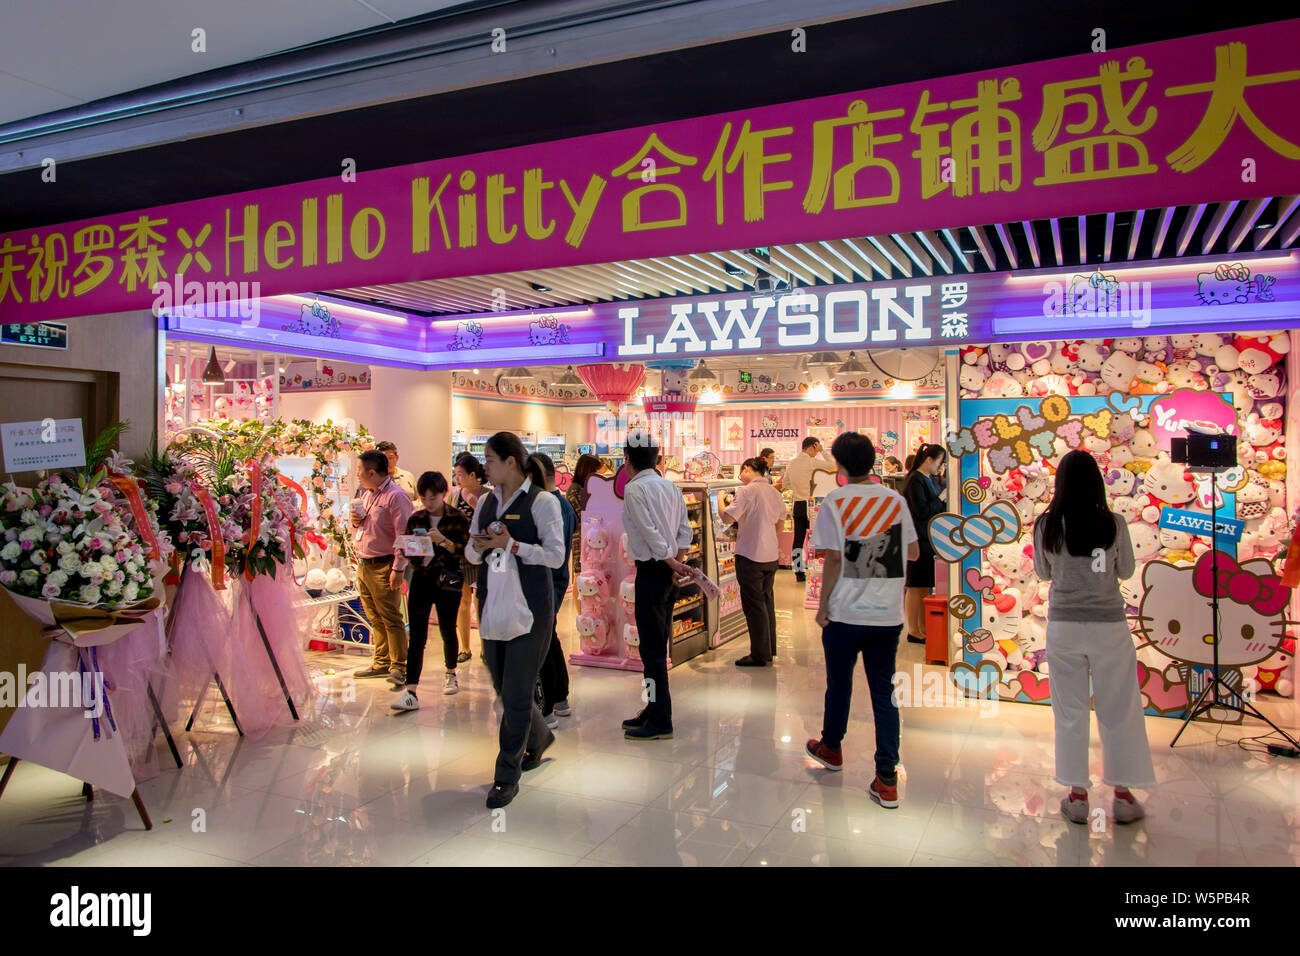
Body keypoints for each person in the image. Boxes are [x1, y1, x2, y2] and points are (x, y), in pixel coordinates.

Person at [1034, 450, 1153, 825]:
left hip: (1064, 627)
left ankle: (1077, 795)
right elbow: (1127, 570)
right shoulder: (1113, 523)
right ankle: (1122, 795)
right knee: (1120, 709)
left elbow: (1041, 572)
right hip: (1109, 626)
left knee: (1069, 712)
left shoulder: (1047, 526)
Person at [804, 432, 918, 809]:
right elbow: (914, 552)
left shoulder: (835, 502)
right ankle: (887, 778)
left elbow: (833, 560)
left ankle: (832, 748)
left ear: (839, 464)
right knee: (884, 692)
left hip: (845, 613)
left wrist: (822, 608)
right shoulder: (895, 501)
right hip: (887, 614)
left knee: (839, 684)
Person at [465, 432, 566, 809]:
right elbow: (472, 555)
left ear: (511, 462)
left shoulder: (543, 503)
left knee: (519, 691)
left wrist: (512, 545)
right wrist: (475, 547)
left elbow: (555, 557)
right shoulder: (486, 502)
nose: (484, 466)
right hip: (492, 606)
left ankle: (506, 776)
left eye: (489, 460)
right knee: (504, 688)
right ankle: (538, 738)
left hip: (532, 609)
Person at [620, 432, 692, 741]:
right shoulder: (671, 486)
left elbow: (649, 533)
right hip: (668, 572)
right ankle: (652, 707)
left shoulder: (634, 489)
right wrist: (678, 561)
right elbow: (684, 530)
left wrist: (670, 562)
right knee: (657, 646)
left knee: (651, 651)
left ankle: (661, 717)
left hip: (652, 572)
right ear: (657, 459)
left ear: (627, 461)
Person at [391, 471, 471, 710]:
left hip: (448, 581)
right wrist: (409, 548)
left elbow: (466, 552)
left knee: (448, 628)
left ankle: (450, 672)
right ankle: (411, 690)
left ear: (443, 494)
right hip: (422, 579)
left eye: (432, 498)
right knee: (417, 636)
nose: (428, 503)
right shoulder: (416, 519)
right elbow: (408, 548)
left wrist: (442, 541)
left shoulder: (457, 518)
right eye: (424, 499)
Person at [350, 450, 415, 683]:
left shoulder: (396, 497)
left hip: (384, 564)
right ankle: (381, 662)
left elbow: (404, 535)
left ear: (371, 471)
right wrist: (355, 522)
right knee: (374, 616)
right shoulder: (367, 495)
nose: (357, 475)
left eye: (359, 471)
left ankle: (399, 666)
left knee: (391, 616)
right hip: (365, 562)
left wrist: (398, 569)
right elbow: (363, 526)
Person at [719, 457, 786, 667]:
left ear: (747, 468)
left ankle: (758, 654)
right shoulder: (775, 493)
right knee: (766, 601)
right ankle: (768, 649)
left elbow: (727, 518)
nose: (740, 477)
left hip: (750, 555)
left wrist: (720, 499)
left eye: (741, 472)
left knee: (754, 605)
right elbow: (780, 527)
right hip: (770, 555)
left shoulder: (746, 491)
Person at [531, 452, 576, 729]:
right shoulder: (560, 505)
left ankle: (547, 705)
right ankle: (559, 698)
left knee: (541, 641)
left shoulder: (551, 506)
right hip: (554, 579)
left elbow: (551, 553)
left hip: (549, 580)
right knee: (550, 636)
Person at [901, 444, 946, 645]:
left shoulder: (926, 479)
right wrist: (942, 497)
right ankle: (914, 630)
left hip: (927, 539)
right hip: (918, 539)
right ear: (929, 460)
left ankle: (923, 628)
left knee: (924, 586)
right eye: (939, 461)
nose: (940, 466)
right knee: (915, 585)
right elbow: (922, 511)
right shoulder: (915, 480)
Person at [449, 452, 488, 663]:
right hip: (460, 553)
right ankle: (464, 647)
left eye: (461, 475)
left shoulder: (487, 496)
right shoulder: (454, 495)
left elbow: (493, 525)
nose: (458, 479)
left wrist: (476, 508)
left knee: (481, 599)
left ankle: (485, 646)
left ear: (473, 475)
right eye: (456, 475)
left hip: (482, 553)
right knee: (462, 600)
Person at [783, 437, 836, 582]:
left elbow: (785, 483)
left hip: (798, 505)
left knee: (798, 540)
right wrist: (823, 451)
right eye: (816, 448)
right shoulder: (811, 461)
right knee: (817, 540)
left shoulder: (791, 463)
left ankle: (799, 572)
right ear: (813, 446)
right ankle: (817, 569)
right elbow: (832, 465)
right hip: (812, 505)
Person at [567, 453, 603, 579]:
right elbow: (583, 516)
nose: (597, 474)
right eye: (595, 471)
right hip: (581, 539)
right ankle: (576, 600)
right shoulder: (575, 490)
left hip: (590, 538)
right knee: (581, 575)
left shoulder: (584, 488)